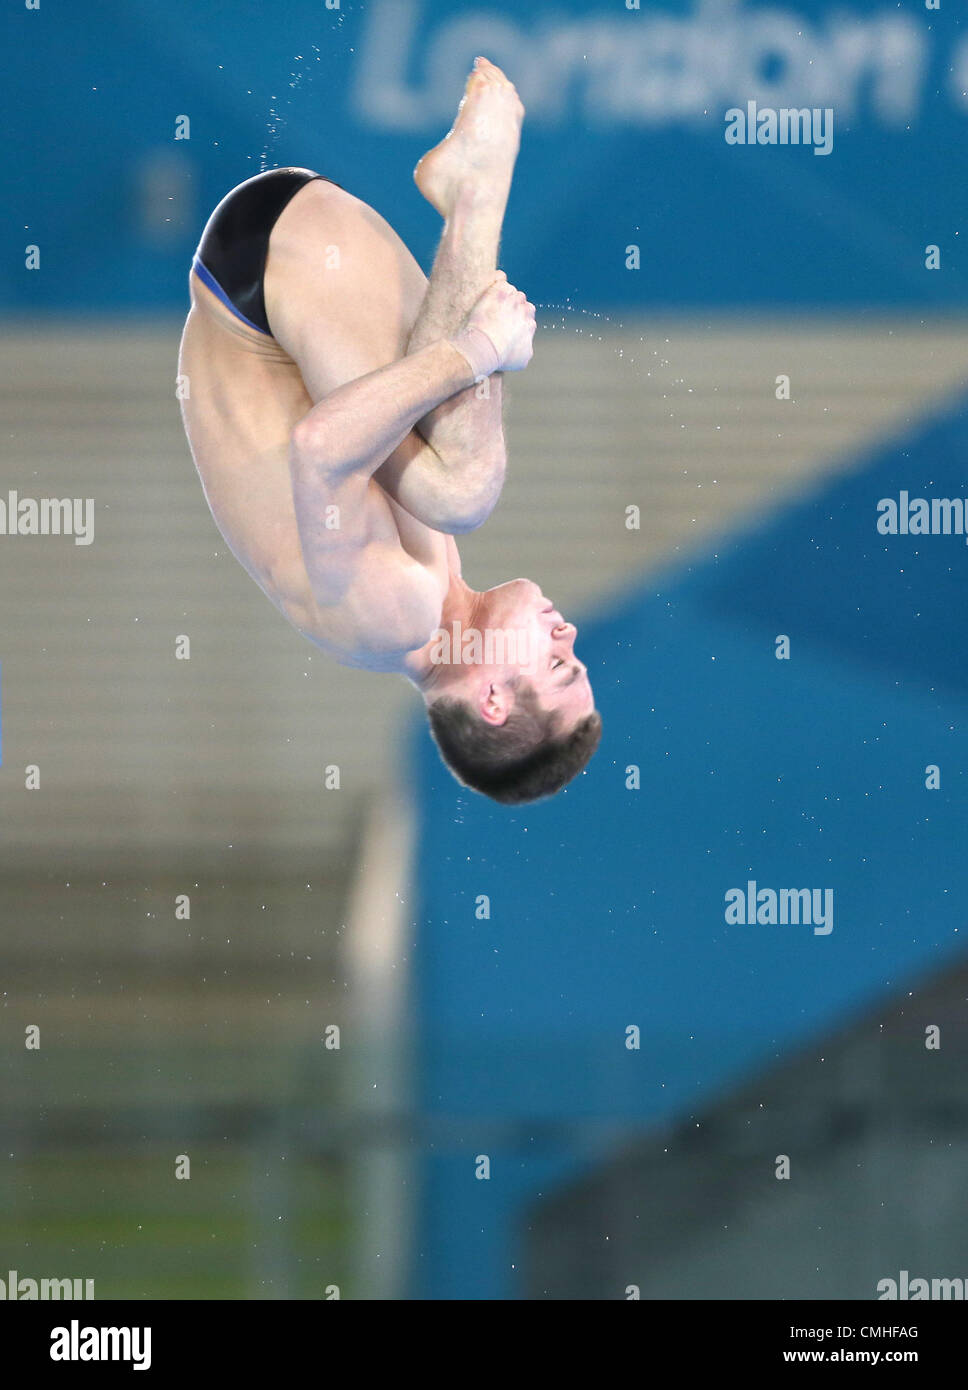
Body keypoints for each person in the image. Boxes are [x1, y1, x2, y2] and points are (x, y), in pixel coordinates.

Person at [178, 57, 601, 803]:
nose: (568, 636)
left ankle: (474, 194)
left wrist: (480, 351)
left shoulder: (394, 621)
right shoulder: (433, 604)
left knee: (461, 490)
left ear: (493, 700)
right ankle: (467, 193)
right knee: (450, 473)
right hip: (278, 265)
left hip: (257, 284)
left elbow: (319, 451)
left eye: (559, 666)